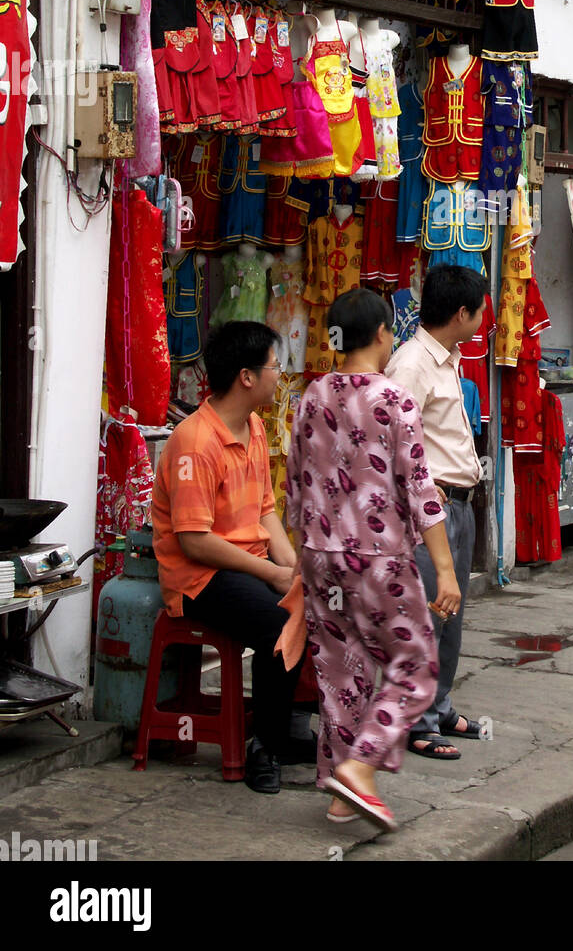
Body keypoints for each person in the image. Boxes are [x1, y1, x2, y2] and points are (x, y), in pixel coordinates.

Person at [286, 287, 461, 832]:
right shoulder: (393, 399)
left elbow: (294, 483)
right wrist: (448, 569)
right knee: (415, 668)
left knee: (343, 675)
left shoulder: (313, 395)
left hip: (320, 556)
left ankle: (343, 796)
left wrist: (300, 561)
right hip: (376, 558)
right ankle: (360, 770)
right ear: (384, 334)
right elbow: (420, 489)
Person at [152, 321, 302, 794]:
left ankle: (290, 728)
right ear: (247, 377)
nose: (281, 375)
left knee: (320, 600)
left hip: (243, 563)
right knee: (278, 623)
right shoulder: (196, 443)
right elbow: (195, 542)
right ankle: (265, 748)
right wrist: (273, 575)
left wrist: (294, 569)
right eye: (275, 367)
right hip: (198, 578)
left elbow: (265, 511)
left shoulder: (253, 426)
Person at [385, 264, 488, 759]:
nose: (483, 319)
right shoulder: (412, 363)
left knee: (451, 612)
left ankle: (439, 703)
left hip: (459, 504)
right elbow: (392, 439)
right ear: (461, 312)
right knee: (428, 614)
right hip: (433, 508)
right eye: (479, 310)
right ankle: (417, 718)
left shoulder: (447, 358)